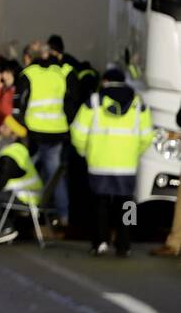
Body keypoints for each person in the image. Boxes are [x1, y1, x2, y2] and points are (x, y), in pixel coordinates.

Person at [70, 68, 151, 256]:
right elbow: (147, 136)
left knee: (100, 204)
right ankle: (125, 243)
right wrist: (134, 153)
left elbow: (78, 132)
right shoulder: (139, 105)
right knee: (127, 205)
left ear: (105, 81)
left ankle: (100, 242)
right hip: (127, 165)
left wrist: (85, 152)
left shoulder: (93, 102)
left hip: (99, 163)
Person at [15, 41, 75, 226]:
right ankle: (61, 214)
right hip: (57, 131)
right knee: (54, 174)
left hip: (34, 132)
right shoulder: (59, 74)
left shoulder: (28, 74)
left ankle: (28, 210)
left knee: (29, 171)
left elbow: (20, 105)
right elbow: (68, 102)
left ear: (28, 58)